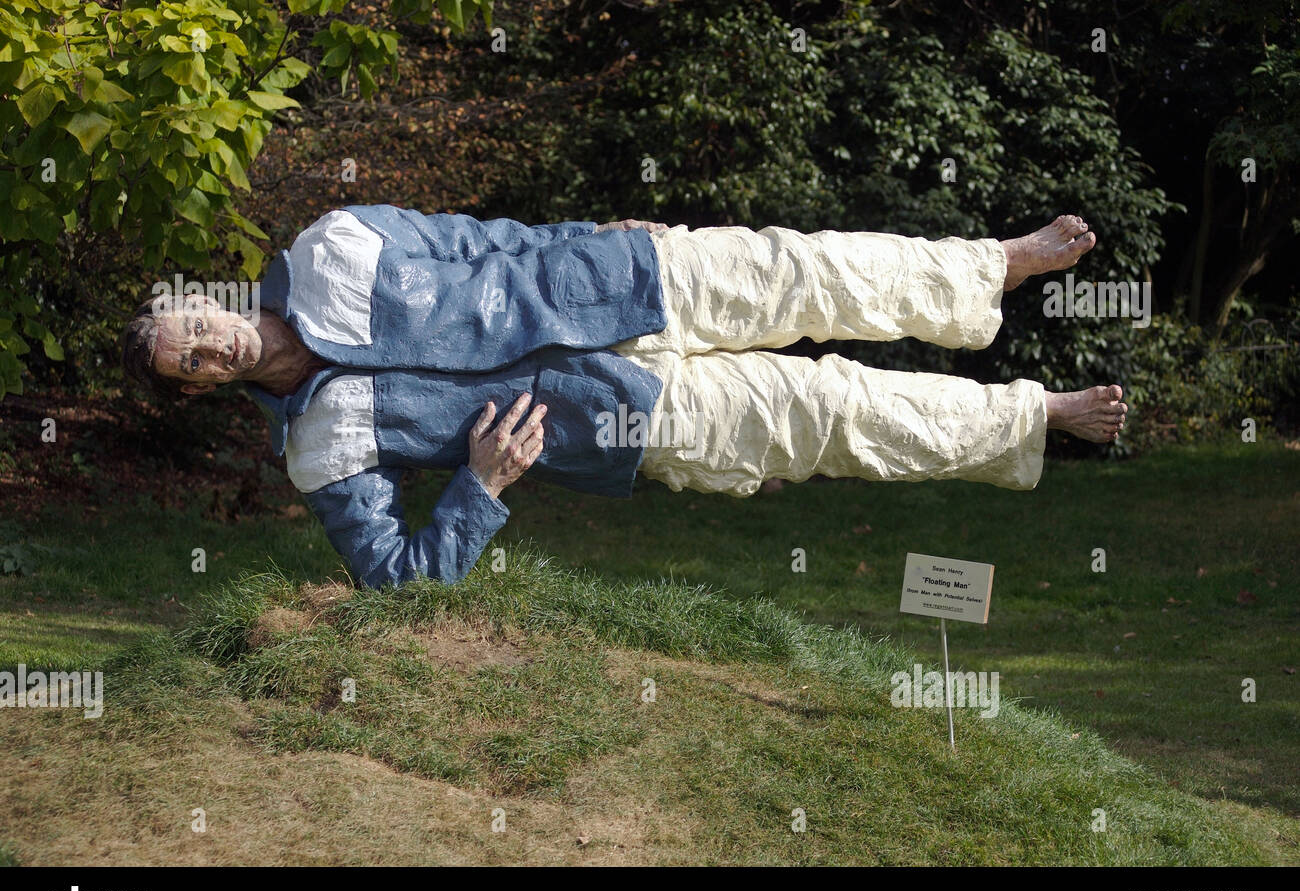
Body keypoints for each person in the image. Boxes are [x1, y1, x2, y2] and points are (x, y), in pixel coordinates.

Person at [121, 206, 1127, 588]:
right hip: (620, 418)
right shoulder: (317, 447)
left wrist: (587, 231)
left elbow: (483, 238)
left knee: (806, 266)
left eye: (196, 326)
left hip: (621, 275)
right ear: (198, 390)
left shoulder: (334, 245)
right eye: (191, 365)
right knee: (836, 417)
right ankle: (1032, 416)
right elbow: (396, 575)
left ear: (206, 297)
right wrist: (477, 486)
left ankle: (987, 266)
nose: (213, 348)